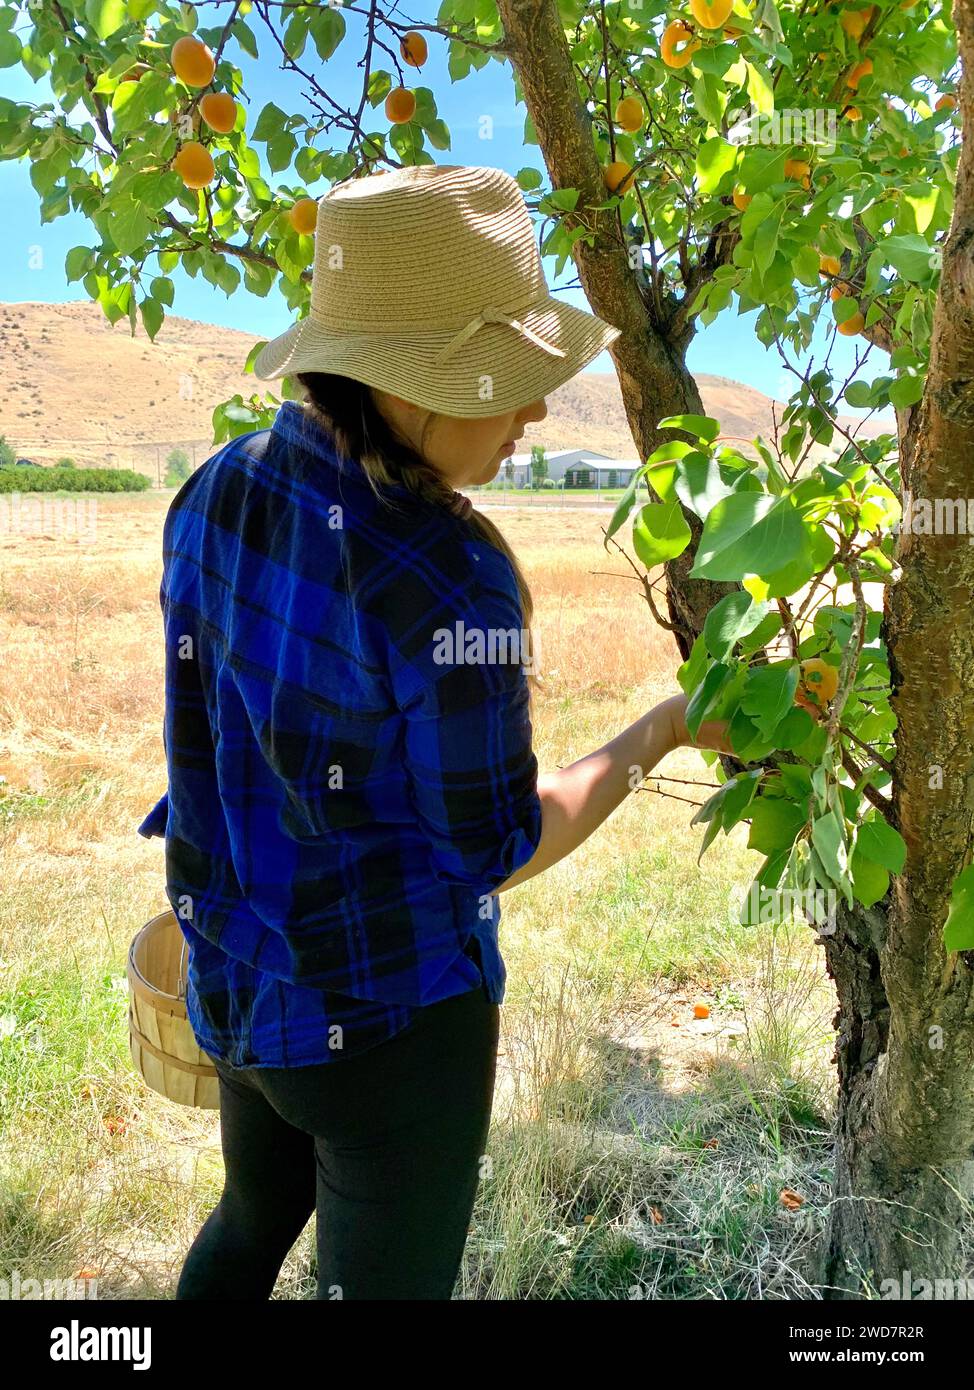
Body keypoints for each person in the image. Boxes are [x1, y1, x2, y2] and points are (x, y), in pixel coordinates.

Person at [137, 164, 729, 1301]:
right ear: (403, 390)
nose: (533, 413)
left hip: (238, 981)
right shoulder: (450, 583)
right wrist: (664, 724)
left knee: (250, 1218)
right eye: (503, 382)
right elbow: (495, 841)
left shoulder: (217, 486)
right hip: (390, 1023)